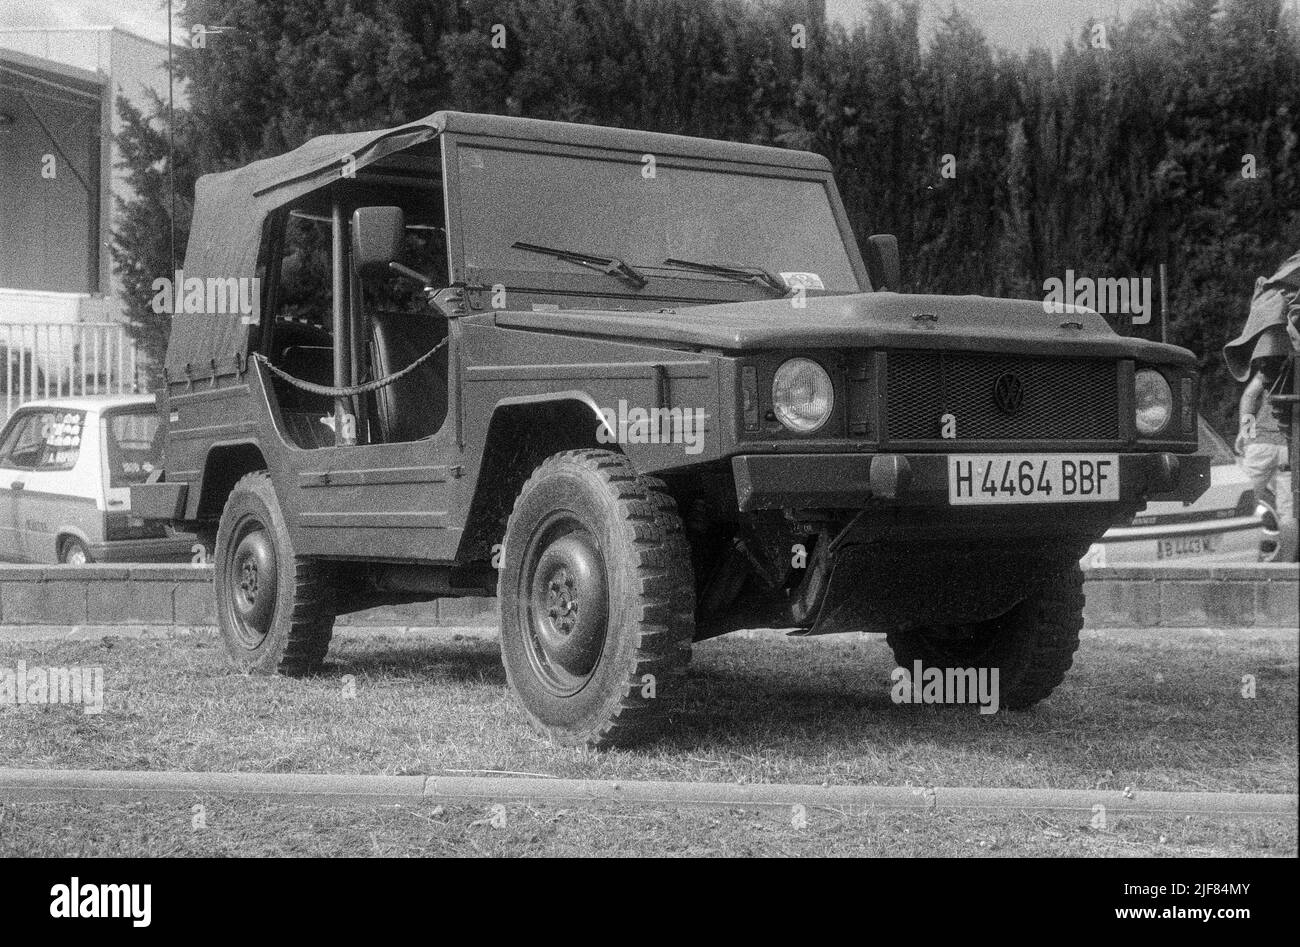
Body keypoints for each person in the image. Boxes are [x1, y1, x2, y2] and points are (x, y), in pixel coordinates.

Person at [1224, 251, 1300, 561]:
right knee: (1289, 511)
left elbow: (1250, 394)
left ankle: (1245, 552)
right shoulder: (1286, 359)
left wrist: (1245, 425)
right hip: (1287, 445)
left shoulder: (1271, 358)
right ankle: (1285, 565)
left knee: (1240, 504)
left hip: (1261, 444)